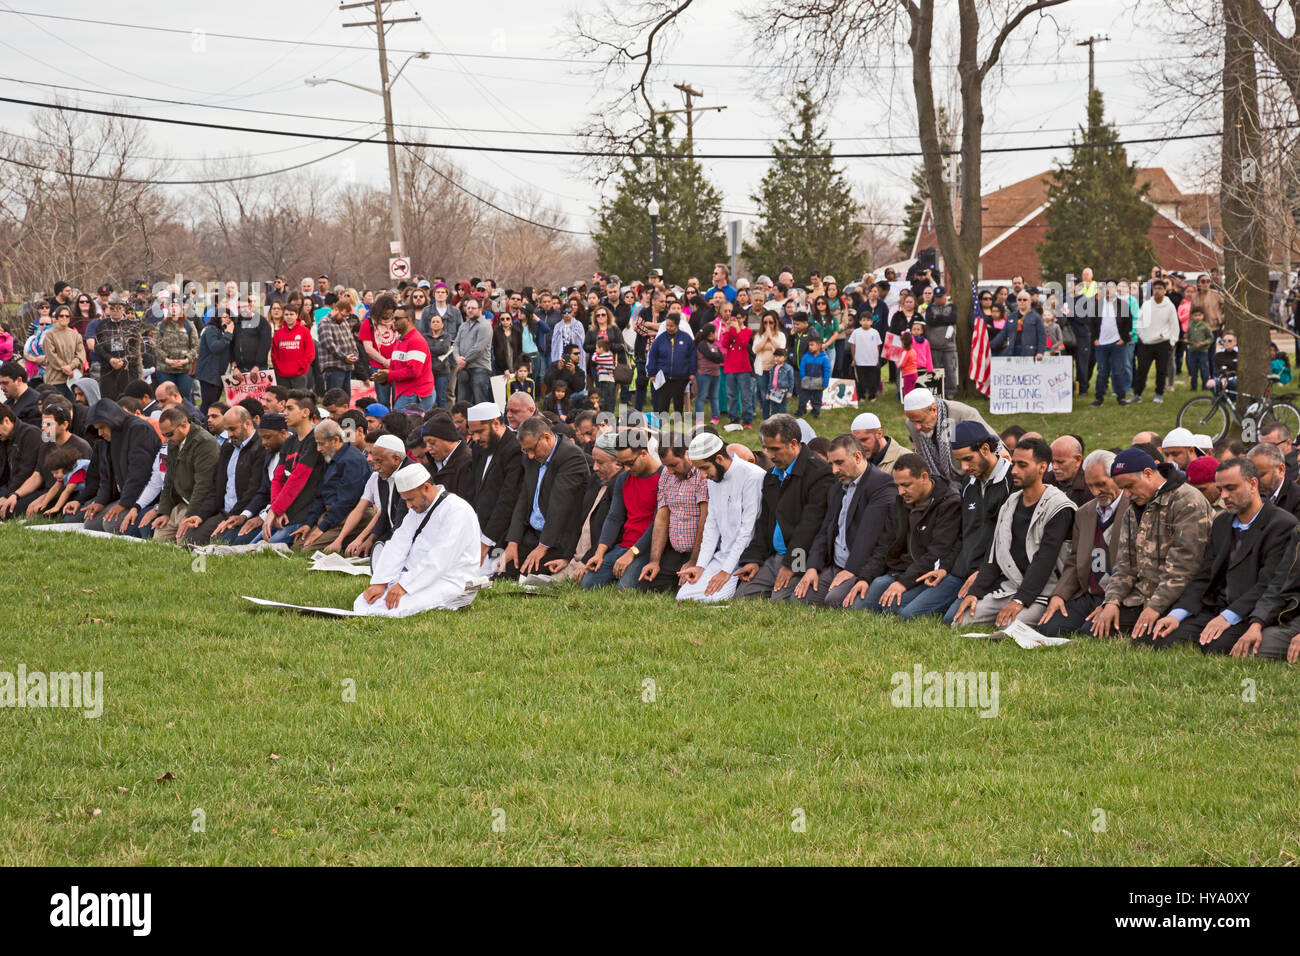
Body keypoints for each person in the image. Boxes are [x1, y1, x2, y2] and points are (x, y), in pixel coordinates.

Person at [1147, 457, 1296, 652]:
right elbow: (1204, 575)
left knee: (1214, 646)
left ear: (1253, 484)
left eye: (1231, 488)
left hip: (1248, 613)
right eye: (1220, 489)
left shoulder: (1281, 525)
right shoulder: (1222, 522)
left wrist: (1228, 617)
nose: (1224, 496)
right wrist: (1177, 614)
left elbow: (1267, 584)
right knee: (1155, 639)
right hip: (1213, 608)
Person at [1087, 447, 1213, 640]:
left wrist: (1155, 607)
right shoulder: (1133, 510)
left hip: (1179, 601)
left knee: (1148, 640)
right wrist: (1111, 602)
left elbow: (1184, 567)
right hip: (1141, 597)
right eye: (1123, 489)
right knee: (1093, 630)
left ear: (1148, 474)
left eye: (1130, 486)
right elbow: (1124, 564)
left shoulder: (1187, 501)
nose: (1127, 495)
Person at [949, 437, 1076, 626]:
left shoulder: (1059, 507)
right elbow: (992, 557)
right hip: (1010, 586)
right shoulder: (1010, 503)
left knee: (1009, 626)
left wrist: (1019, 601)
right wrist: (975, 593)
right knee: (961, 621)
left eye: (1023, 465)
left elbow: (1045, 560)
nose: (1014, 470)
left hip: (1043, 591)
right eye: (1014, 463)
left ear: (1042, 467)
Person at [353, 463, 483, 617]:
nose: (408, 506)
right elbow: (398, 544)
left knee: (397, 608)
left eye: (410, 499)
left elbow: (440, 559)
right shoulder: (419, 507)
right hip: (417, 577)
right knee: (364, 601)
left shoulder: (457, 510)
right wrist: (380, 582)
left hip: (451, 580)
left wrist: (404, 586)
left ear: (426, 487)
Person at [847, 453, 963, 618]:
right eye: (897, 485)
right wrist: (865, 578)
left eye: (906, 485)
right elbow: (884, 546)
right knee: (859, 606)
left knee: (894, 610)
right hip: (900, 570)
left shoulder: (949, 503)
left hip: (929, 574)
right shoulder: (899, 503)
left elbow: (937, 553)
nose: (901, 492)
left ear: (924, 477)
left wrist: (903, 584)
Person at [734, 415, 833, 600]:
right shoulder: (771, 476)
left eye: (775, 449)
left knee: (781, 602)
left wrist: (791, 565)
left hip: (803, 558)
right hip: (774, 558)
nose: (770, 455)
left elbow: (810, 526)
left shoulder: (819, 473)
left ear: (793, 443)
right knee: (741, 597)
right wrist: (754, 559)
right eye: (766, 448)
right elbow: (764, 522)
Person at [793, 434, 896, 608]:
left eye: (839, 463)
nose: (834, 470)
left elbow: (869, 536)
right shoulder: (836, 488)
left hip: (862, 568)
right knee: (801, 598)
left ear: (857, 457)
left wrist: (852, 570)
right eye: (831, 464)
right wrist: (812, 567)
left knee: (834, 600)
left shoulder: (881, 485)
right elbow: (824, 531)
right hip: (836, 565)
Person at [1037, 449, 1130, 637]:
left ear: (1117, 477)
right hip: (1090, 594)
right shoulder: (1084, 513)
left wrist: (1111, 602)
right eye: (1091, 486)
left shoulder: (1133, 508)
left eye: (1101, 484)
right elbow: (1074, 560)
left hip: (1120, 596)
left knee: (1091, 633)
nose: (1096, 492)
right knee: (1050, 629)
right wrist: (1059, 595)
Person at [677, 432, 766, 603]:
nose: (702, 476)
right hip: (722, 556)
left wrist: (726, 571)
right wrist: (701, 565)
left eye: (704, 468)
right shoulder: (713, 478)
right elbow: (712, 525)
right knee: (683, 596)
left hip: (745, 557)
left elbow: (748, 529)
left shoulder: (752, 476)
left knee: (714, 599)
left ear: (719, 458)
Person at [500, 416, 591, 577]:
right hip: (533, 534)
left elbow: (559, 507)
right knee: (502, 571)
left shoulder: (571, 456)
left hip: (557, 540)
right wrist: (513, 542)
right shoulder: (531, 457)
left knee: (528, 574)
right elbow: (524, 498)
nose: (530, 456)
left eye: (532, 449)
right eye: (525, 450)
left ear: (546, 437)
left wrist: (542, 547)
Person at [581, 428, 663, 589]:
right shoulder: (623, 479)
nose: (625, 469)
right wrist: (599, 553)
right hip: (623, 546)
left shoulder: (663, 477)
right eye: (621, 464)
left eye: (629, 463)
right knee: (588, 584)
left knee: (624, 588)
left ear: (644, 454)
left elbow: (658, 524)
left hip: (646, 548)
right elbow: (614, 517)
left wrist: (632, 553)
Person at [64, 398, 161, 533]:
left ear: (112, 421)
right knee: (91, 523)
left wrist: (123, 504)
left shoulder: (139, 429)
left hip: (143, 497)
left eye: (102, 428)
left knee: (110, 525)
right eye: (97, 429)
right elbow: (105, 477)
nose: (100, 433)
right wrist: (100, 501)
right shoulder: (104, 441)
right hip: (122, 496)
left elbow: (138, 474)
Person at [946, 421, 1014, 609]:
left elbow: (1009, 540)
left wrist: (983, 573)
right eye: (959, 460)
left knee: (953, 619)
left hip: (992, 573)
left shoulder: (1012, 481)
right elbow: (963, 532)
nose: (964, 467)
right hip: (961, 570)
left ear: (985, 449)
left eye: (968, 459)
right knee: (907, 612)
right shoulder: (968, 482)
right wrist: (945, 567)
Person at [626, 438, 709, 592]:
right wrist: (654, 561)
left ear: (687, 455)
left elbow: (705, 520)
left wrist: (694, 561)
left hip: (700, 553)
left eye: (673, 465)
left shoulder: (701, 474)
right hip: (676, 552)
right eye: (666, 465)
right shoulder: (666, 473)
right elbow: (662, 518)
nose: (670, 471)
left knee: (688, 591)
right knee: (647, 586)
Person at [189, 405, 267, 546]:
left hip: (245, 512)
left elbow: (253, 490)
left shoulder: (260, 448)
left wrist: (235, 516)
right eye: (227, 430)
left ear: (247, 424)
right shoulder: (228, 448)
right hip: (224, 512)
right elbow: (216, 488)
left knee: (222, 542)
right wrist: (201, 515)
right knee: (191, 538)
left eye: (233, 429)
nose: (229, 435)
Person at [288, 420, 368, 552]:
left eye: (321, 444)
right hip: (331, 514)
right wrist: (309, 524)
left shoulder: (352, 460)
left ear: (336, 440)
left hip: (349, 515)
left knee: (307, 550)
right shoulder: (330, 457)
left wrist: (321, 528)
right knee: (297, 547)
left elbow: (346, 502)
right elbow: (321, 495)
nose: (318, 449)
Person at [146, 406, 220, 544]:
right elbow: (168, 479)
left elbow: (203, 485)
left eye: (169, 434)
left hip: (199, 505)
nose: (166, 440)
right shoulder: (175, 441)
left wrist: (190, 516)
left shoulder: (205, 443)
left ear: (184, 425)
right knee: (158, 540)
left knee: (183, 541)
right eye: (164, 435)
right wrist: (164, 511)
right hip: (181, 503)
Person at [466, 401, 523, 572]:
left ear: (496, 424)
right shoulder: (479, 448)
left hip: (501, 537)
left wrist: (486, 542)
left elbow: (508, 500)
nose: (475, 438)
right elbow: (475, 491)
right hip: (478, 532)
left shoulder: (514, 450)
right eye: (472, 433)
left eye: (479, 432)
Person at [261, 391, 323, 543]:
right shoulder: (290, 441)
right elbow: (278, 477)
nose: (284, 413)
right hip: (284, 513)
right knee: (253, 545)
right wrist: (277, 511)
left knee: (264, 550)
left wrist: (274, 510)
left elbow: (298, 478)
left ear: (305, 412)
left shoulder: (315, 440)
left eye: (289, 409)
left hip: (303, 515)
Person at [902, 388, 1001, 484]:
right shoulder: (911, 424)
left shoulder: (961, 413)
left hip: (973, 476)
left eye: (920, 421)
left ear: (933, 410)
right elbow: (922, 456)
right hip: (939, 480)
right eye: (913, 421)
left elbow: (993, 442)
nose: (917, 427)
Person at [1132, 278, 1179, 404]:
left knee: (1161, 370)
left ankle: (1159, 394)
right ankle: (1137, 394)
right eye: (1155, 289)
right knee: (1141, 369)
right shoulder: (1147, 304)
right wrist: (1142, 337)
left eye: (1160, 289)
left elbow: (1174, 324)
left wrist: (1173, 341)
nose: (1157, 291)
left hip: (1162, 343)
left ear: (1165, 291)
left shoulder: (1169, 306)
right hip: (1146, 343)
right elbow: (1140, 322)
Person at [386, 305, 435, 413]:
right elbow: (393, 367)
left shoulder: (416, 341)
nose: (394, 321)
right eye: (393, 318)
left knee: (399, 427)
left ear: (409, 319)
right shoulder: (400, 340)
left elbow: (414, 371)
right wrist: (385, 378)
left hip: (416, 394)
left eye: (397, 319)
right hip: (406, 393)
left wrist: (389, 375)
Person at [645, 313, 696, 414]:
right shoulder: (660, 339)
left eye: (671, 326)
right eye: (667, 325)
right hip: (664, 376)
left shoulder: (686, 338)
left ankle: (678, 420)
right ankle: (663, 421)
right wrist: (652, 373)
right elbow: (653, 356)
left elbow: (692, 356)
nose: (668, 328)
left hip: (681, 376)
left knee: (678, 400)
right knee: (664, 401)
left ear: (677, 325)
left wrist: (692, 372)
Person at [0, 405, 42, 518]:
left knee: (8, 511)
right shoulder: (4, 439)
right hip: (10, 488)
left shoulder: (30, 434)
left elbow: (26, 472)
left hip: (28, 489)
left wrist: (8, 495)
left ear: (6, 421)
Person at [420, 414, 475, 500]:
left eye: (432, 442)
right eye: (426, 443)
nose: (428, 448)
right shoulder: (431, 463)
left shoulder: (468, 463)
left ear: (448, 439)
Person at [1247, 442, 1300, 520]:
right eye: (1250, 477)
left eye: (1261, 475)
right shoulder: (1248, 497)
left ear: (1281, 470)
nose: (1255, 483)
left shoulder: (1296, 499)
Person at [990, 291, 1046, 358]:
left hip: (1030, 352)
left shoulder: (1036, 317)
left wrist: (1040, 352)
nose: (1022, 301)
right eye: (1019, 299)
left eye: (1025, 300)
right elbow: (1002, 334)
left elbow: (1042, 335)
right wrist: (989, 346)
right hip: (1012, 351)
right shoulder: (1011, 317)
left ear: (1030, 301)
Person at [848, 311, 882, 403]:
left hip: (872, 361)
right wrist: (854, 359)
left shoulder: (875, 332)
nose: (866, 322)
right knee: (861, 380)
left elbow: (878, 346)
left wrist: (876, 358)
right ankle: (861, 396)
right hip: (860, 361)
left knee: (872, 380)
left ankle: (872, 395)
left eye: (868, 320)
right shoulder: (856, 332)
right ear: (859, 321)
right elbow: (853, 345)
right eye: (863, 320)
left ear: (871, 322)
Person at [1049, 435, 1090, 506]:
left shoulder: (1091, 486)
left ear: (1078, 459)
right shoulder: (1044, 481)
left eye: (1060, 462)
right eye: (1052, 462)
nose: (1054, 467)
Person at [797, 337, 831, 418]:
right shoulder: (806, 356)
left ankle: (815, 412)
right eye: (809, 345)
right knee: (803, 398)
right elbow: (802, 368)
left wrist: (825, 383)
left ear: (819, 346)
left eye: (812, 345)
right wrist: (803, 378)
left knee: (817, 399)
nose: (810, 347)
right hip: (806, 381)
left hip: (818, 382)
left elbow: (827, 371)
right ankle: (801, 410)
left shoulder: (824, 358)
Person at [0, 361, 41, 427]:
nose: (2, 388)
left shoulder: (35, 403)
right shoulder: (8, 402)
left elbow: (33, 434)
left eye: (5, 383)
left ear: (19, 380)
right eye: (0, 384)